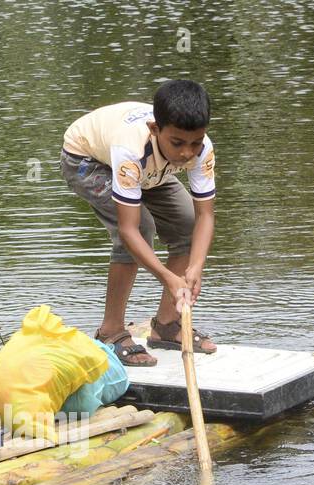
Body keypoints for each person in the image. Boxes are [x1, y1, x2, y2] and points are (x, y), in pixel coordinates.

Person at [61, 79, 217, 367]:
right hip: (87, 161)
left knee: (186, 223)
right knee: (140, 229)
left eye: (195, 143)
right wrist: (169, 278)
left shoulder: (201, 149)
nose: (186, 153)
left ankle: (168, 325)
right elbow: (129, 228)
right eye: (178, 143)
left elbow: (205, 215)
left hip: (151, 170)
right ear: (155, 130)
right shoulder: (131, 149)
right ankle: (110, 332)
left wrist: (196, 266)